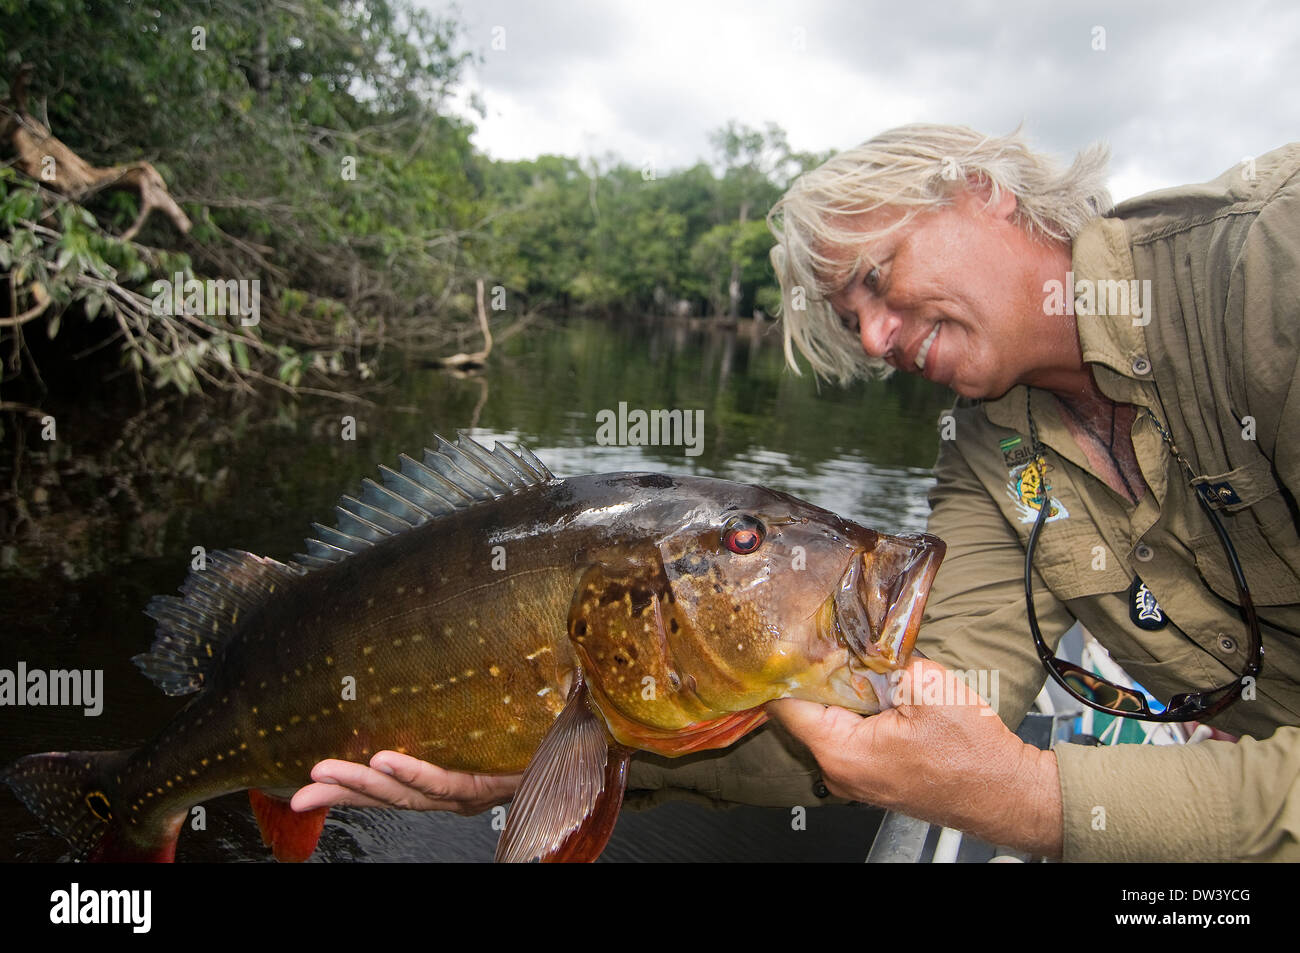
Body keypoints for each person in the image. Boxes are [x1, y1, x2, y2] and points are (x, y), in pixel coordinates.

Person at [292, 126, 1300, 862]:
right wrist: (553, 755)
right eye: (844, 312)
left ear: (986, 190)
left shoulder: (1269, 270)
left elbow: (1002, 771)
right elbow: (930, 698)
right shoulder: (993, 453)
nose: (871, 337)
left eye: (875, 274)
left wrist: (1033, 794)